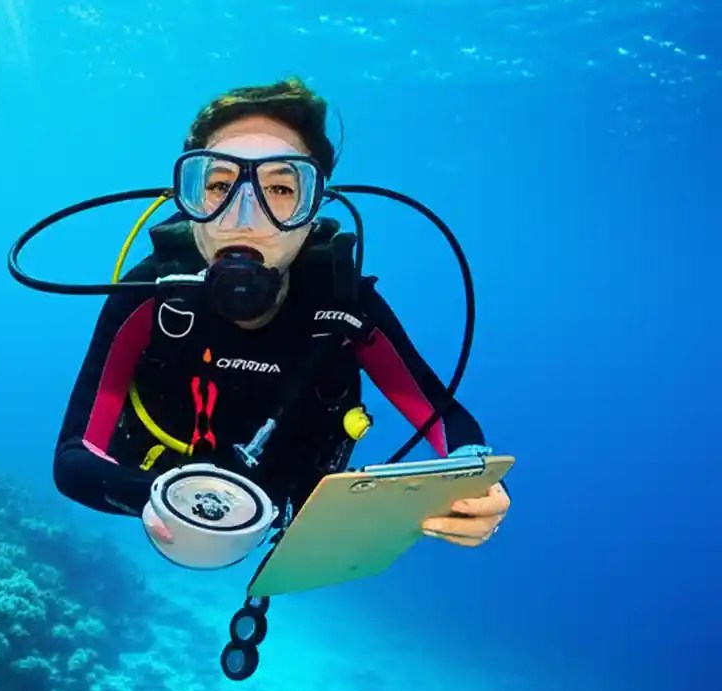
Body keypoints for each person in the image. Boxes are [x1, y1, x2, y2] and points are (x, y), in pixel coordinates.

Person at [51, 78, 509, 550]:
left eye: (281, 189)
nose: (245, 218)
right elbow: (72, 458)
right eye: (220, 185)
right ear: (188, 201)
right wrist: (161, 500)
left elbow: (444, 419)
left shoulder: (342, 304)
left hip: (290, 501)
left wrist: (475, 484)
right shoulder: (151, 296)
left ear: (313, 208)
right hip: (162, 483)